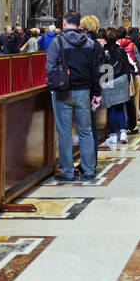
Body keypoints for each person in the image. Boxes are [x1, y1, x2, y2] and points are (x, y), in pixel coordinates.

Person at [46, 11, 103, 181]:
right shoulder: (91, 44)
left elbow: (50, 68)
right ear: (79, 24)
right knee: (85, 131)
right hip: (83, 92)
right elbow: (96, 71)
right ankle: (89, 170)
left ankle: (68, 172)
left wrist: (52, 85)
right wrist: (97, 93)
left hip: (63, 91)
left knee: (64, 133)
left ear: (64, 23)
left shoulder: (58, 42)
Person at [100, 29, 133, 148]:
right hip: (122, 79)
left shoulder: (103, 52)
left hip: (108, 79)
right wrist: (128, 81)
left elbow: (102, 68)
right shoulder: (121, 50)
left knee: (111, 108)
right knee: (120, 107)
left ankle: (113, 135)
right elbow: (126, 66)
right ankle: (123, 133)